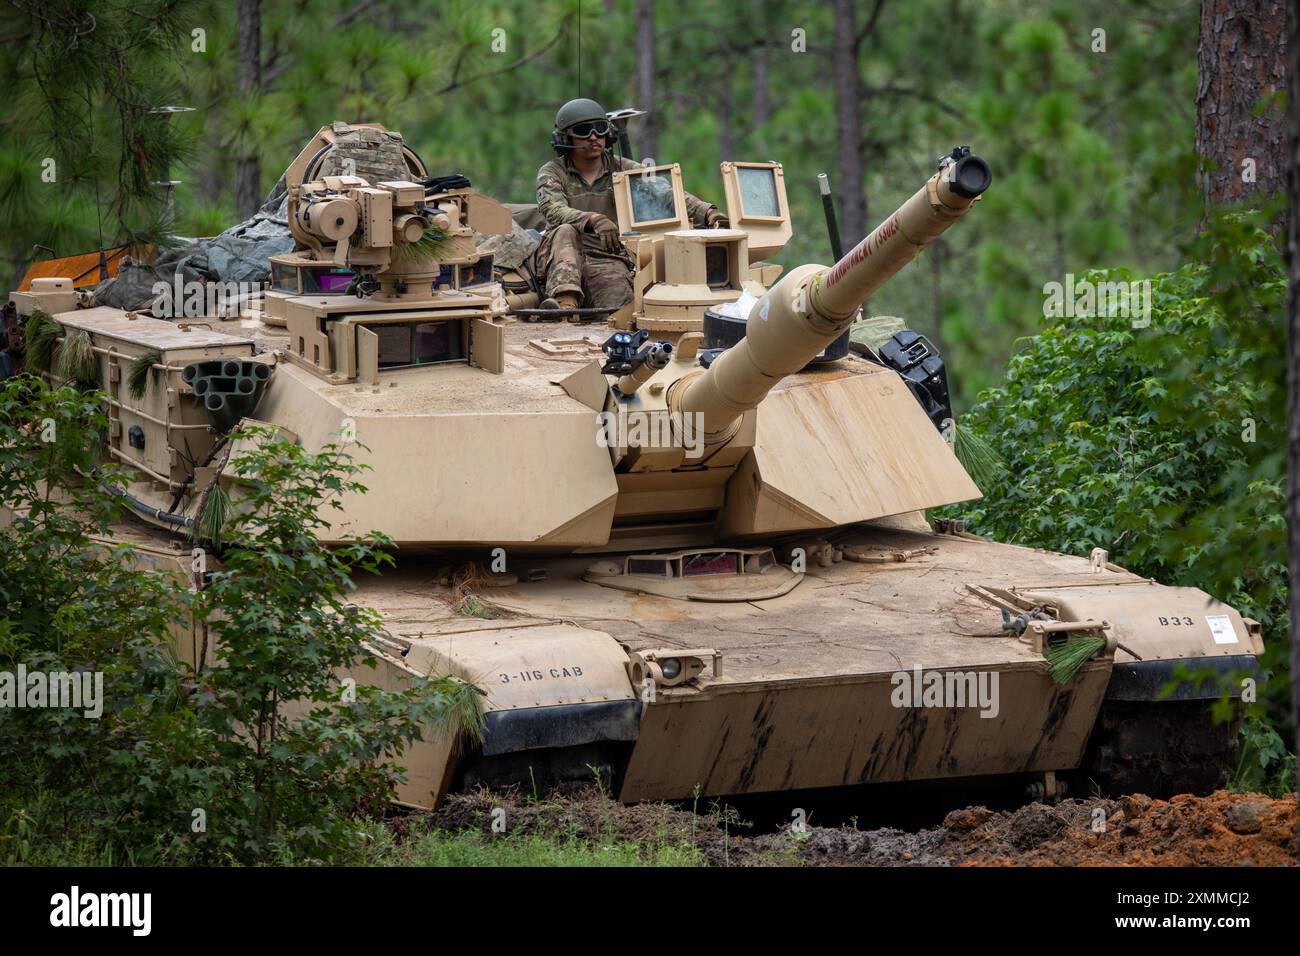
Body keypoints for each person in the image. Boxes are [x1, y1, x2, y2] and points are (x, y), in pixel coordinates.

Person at [534, 98, 728, 315]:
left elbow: (666, 194)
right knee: (566, 230)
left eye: (599, 129)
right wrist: (593, 219)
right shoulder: (553, 172)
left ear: (608, 135)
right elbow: (552, 208)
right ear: (564, 138)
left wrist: (708, 212)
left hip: (607, 257)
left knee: (621, 310)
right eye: (583, 131)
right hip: (560, 254)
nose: (593, 137)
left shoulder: (624, 168)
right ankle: (564, 304)